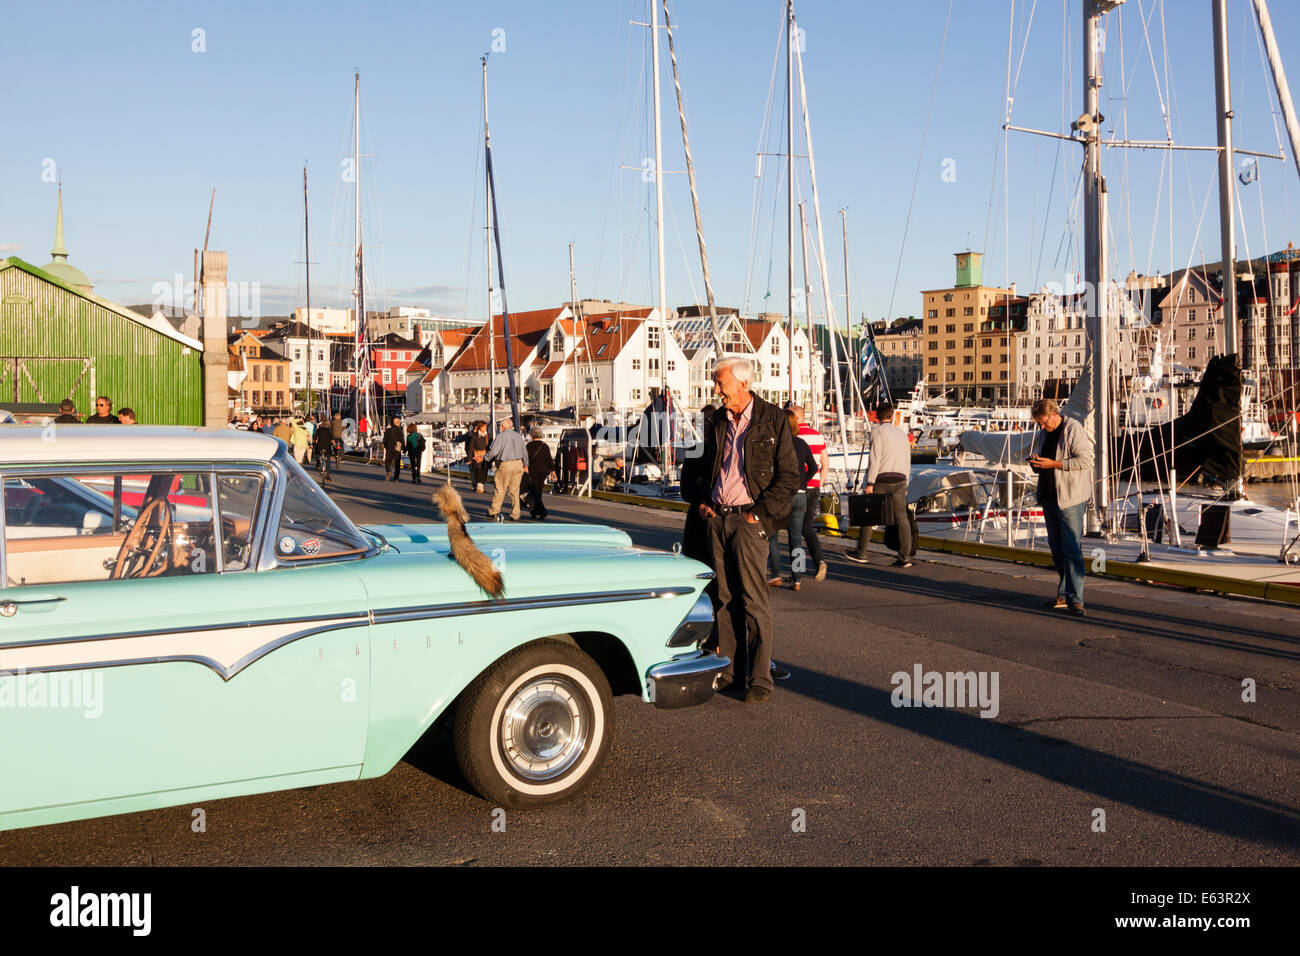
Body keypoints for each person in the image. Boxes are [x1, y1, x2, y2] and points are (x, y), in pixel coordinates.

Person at [682, 357, 799, 704]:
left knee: (752, 601)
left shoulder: (773, 420)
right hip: (717, 519)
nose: (716, 390)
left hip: (749, 522)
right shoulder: (715, 420)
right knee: (724, 599)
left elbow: (790, 477)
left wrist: (758, 516)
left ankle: (760, 678)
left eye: (721, 384)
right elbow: (698, 467)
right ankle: (730, 672)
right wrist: (702, 500)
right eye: (716, 384)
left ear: (743, 383)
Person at [1028, 397, 1094, 616]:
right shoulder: (1044, 433)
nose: (1041, 426)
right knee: (1056, 548)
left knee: (1071, 548)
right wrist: (1037, 463)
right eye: (1039, 423)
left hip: (1070, 498)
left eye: (1044, 422)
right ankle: (1064, 594)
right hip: (1048, 495)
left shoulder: (1073, 429)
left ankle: (1076, 598)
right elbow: (1046, 462)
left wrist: (1054, 464)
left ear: (1054, 414)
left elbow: (1085, 461)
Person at [848, 402, 914, 567]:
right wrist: (906, 480)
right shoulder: (902, 434)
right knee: (902, 519)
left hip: (882, 479)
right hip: (900, 479)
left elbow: (874, 459)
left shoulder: (877, 433)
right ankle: (905, 557)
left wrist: (870, 482)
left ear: (877, 416)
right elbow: (907, 460)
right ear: (892, 416)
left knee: (869, 515)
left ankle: (861, 552)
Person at [769, 407, 825, 591]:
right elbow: (814, 467)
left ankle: (776, 574)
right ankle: (797, 578)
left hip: (781, 496)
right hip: (801, 495)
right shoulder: (801, 443)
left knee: (773, 537)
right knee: (796, 539)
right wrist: (803, 482)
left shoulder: (777, 444)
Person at [486, 418, 527, 520]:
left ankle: (494, 510)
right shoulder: (518, 436)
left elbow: (493, 452)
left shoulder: (501, 436)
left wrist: (484, 458)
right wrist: (526, 465)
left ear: (502, 427)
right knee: (515, 490)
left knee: (500, 488)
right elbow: (524, 452)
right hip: (518, 464)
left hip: (506, 464)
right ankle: (516, 513)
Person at [524, 427, 555, 520]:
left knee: (533, 492)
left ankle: (541, 512)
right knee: (538, 492)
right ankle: (535, 512)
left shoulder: (528, 446)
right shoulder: (545, 446)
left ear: (531, 435)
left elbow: (525, 459)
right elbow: (549, 460)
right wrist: (553, 472)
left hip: (532, 471)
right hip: (543, 472)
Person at [468, 421, 489, 493]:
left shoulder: (488, 436)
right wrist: (469, 459)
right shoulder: (474, 436)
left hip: (485, 457)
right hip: (476, 456)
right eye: (484, 427)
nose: (485, 428)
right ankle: (479, 487)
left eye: (486, 427)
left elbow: (490, 448)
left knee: (485, 471)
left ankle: (482, 486)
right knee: (478, 471)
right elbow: (470, 448)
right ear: (480, 428)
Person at [383, 416, 404, 481]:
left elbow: (385, 440)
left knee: (387, 461)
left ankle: (388, 470)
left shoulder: (388, 430)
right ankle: (396, 478)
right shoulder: (400, 431)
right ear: (398, 423)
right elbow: (402, 440)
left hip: (390, 448)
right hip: (397, 449)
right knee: (397, 463)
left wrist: (386, 447)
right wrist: (403, 448)